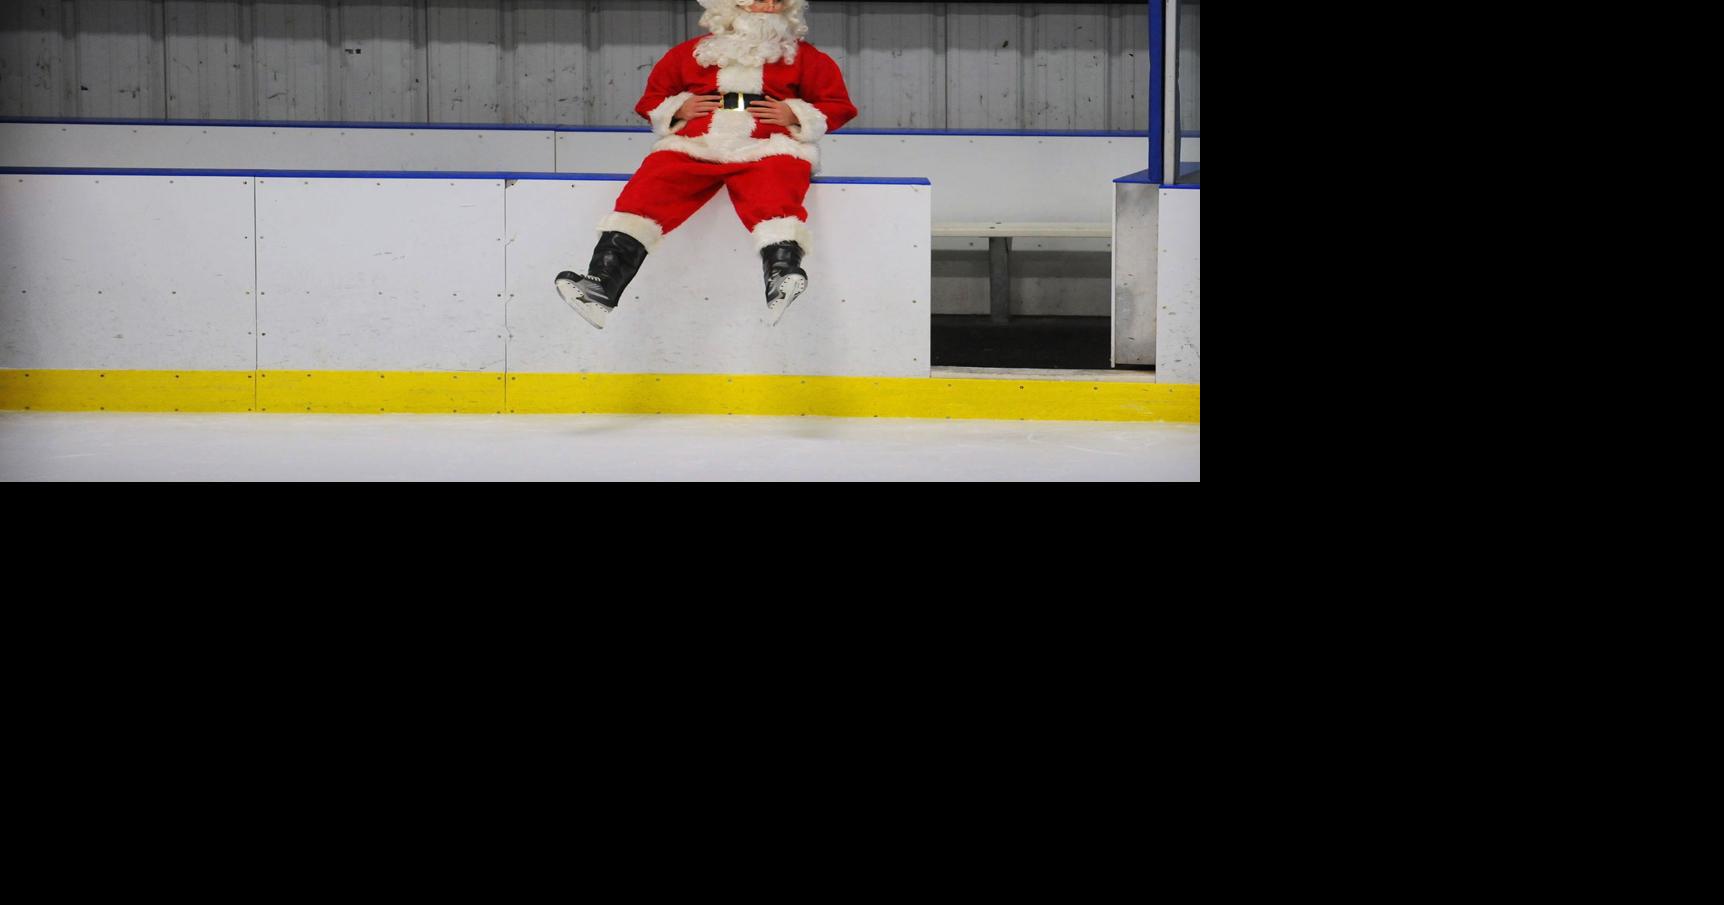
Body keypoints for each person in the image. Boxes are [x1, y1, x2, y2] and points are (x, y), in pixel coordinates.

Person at [555, 0, 858, 329]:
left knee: (777, 189)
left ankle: (782, 276)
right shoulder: (690, 54)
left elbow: (837, 104)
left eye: (779, 0)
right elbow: (652, 99)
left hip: (767, 146)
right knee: (648, 188)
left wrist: (794, 114)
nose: (769, 6)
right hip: (696, 144)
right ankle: (601, 284)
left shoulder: (807, 59)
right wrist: (681, 108)